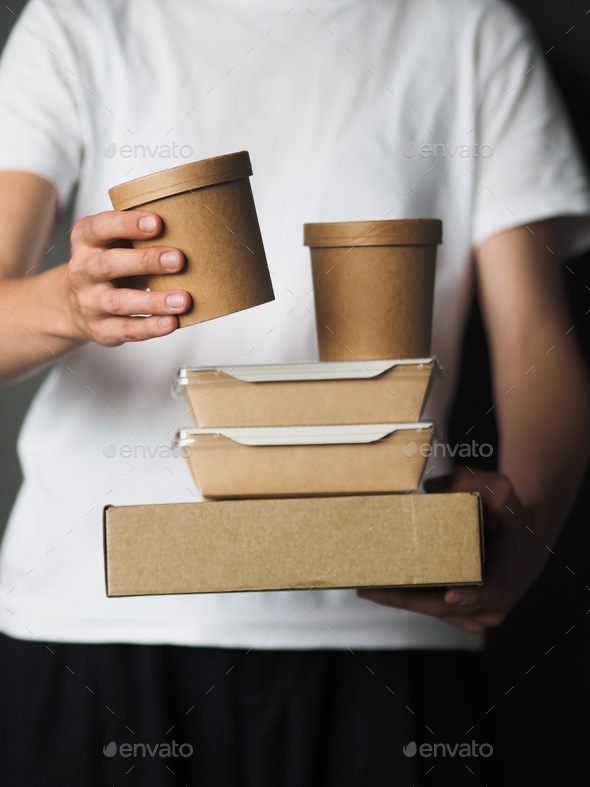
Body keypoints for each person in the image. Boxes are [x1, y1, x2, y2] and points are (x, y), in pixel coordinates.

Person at [0, 0, 589, 784]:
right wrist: (69, 303)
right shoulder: (81, 19)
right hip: (94, 616)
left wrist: (533, 520)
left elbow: (537, 342)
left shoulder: (468, 27)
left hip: (391, 611)